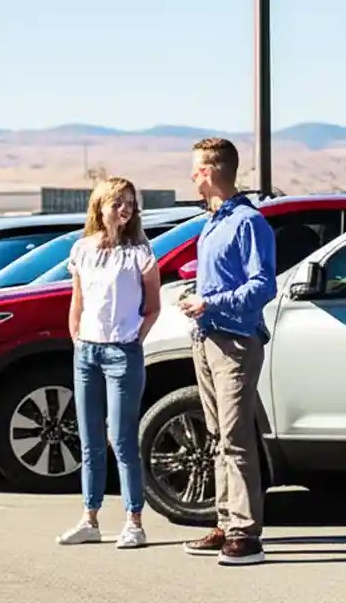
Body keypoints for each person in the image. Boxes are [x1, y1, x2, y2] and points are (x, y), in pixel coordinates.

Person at [178, 137, 278, 566]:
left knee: (236, 438)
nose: (192, 176)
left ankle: (246, 534)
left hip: (235, 341)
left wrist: (211, 302)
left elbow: (262, 286)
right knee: (218, 435)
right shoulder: (213, 222)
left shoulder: (248, 223)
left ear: (212, 171)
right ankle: (225, 522)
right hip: (205, 337)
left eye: (196, 169)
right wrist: (197, 297)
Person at [56, 177, 162, 549]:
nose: (126, 209)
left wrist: (136, 336)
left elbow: (153, 305)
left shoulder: (140, 252)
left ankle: (134, 521)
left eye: (131, 203)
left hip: (123, 352)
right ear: (101, 207)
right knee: (89, 440)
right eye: (118, 203)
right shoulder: (82, 249)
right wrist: (76, 336)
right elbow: (78, 299)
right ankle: (90, 518)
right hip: (86, 351)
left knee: (121, 438)